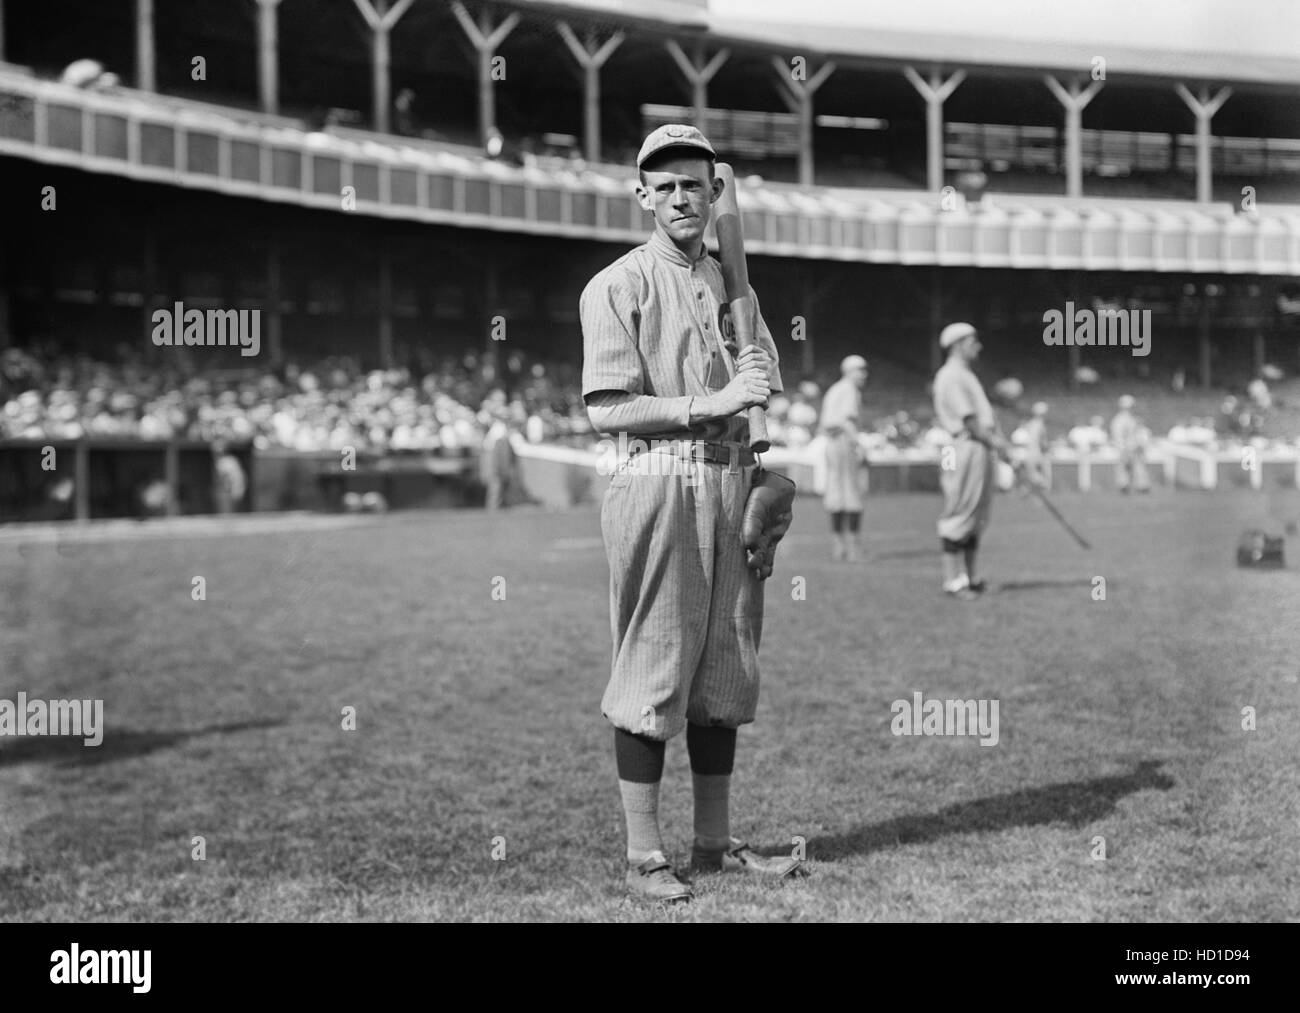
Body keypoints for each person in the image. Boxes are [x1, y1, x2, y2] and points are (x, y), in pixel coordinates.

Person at [580, 124, 802, 904]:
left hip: (732, 481)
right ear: (642, 194)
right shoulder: (617, 284)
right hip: (659, 480)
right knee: (654, 663)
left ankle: (713, 843)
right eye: (664, 183)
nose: (681, 195)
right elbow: (610, 407)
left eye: (695, 184)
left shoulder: (737, 288)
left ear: (716, 194)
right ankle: (645, 854)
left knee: (724, 670)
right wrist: (711, 404)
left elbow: (758, 389)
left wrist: (770, 473)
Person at [932, 322, 1010, 600]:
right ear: (957, 345)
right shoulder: (951, 375)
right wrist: (998, 445)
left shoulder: (966, 375)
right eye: (973, 341)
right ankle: (953, 581)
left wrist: (998, 445)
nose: (978, 346)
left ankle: (970, 577)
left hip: (979, 448)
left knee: (976, 514)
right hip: (963, 447)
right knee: (960, 509)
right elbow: (970, 421)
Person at [819, 355, 869, 560]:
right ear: (849, 371)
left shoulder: (835, 389)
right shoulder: (849, 389)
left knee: (837, 494)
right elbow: (847, 421)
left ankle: (839, 546)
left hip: (831, 442)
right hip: (842, 441)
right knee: (852, 494)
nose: (864, 375)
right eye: (860, 370)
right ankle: (853, 548)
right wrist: (859, 445)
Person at [1111, 394, 1151, 493]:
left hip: (1133, 447)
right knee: (1125, 469)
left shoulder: (1132, 419)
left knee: (1138, 468)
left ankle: (1141, 487)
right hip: (1125, 448)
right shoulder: (1119, 420)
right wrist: (1123, 448)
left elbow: (1137, 433)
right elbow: (1118, 436)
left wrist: (1140, 444)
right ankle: (1125, 487)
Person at [1019, 401, 1050, 491]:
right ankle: (1042, 486)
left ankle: (1036, 488)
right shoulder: (1039, 424)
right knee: (1035, 474)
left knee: (1032, 473)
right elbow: (1043, 442)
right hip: (1035, 452)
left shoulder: (1031, 423)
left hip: (1030, 451)